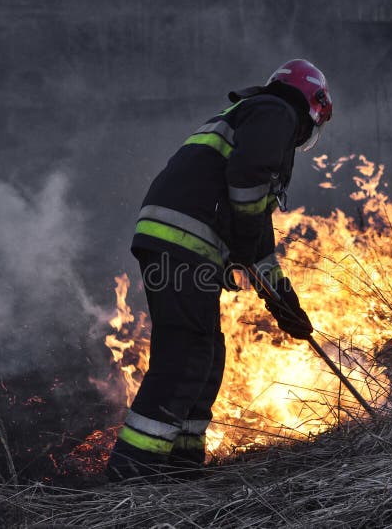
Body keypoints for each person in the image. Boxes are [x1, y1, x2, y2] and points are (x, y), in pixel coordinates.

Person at [106, 59, 333, 480]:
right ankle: (131, 479)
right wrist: (244, 243)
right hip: (183, 243)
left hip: (182, 245)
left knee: (205, 355)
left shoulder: (255, 119)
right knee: (185, 356)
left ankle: (183, 469)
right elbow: (245, 186)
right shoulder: (275, 112)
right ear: (312, 108)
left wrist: (284, 302)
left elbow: (257, 233)